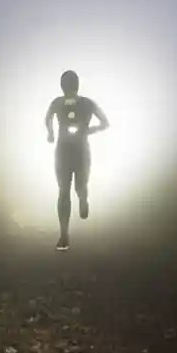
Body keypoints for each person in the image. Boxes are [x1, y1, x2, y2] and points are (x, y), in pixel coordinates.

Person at [45, 70, 109, 251]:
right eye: (66, 85)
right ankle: (64, 234)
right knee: (63, 190)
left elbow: (105, 122)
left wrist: (90, 130)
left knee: (79, 186)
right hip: (64, 153)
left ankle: (83, 199)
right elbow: (48, 117)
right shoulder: (57, 103)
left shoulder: (88, 103)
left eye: (70, 85)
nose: (68, 89)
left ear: (76, 86)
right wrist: (50, 132)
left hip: (80, 152)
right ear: (62, 87)